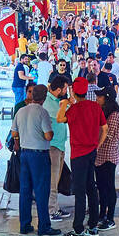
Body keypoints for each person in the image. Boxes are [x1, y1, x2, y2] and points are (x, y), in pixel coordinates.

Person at [58, 77, 107, 236]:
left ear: (74, 91)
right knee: (91, 188)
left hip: (78, 154)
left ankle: (78, 230)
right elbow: (104, 128)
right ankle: (93, 226)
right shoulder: (95, 107)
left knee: (80, 192)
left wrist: (65, 102)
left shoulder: (73, 110)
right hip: (92, 151)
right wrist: (98, 145)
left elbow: (59, 119)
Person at [13, 84, 61, 236]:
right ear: (44, 96)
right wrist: (51, 132)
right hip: (39, 155)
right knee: (41, 191)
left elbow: (14, 132)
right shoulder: (42, 112)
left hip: (24, 153)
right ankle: (44, 226)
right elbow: (48, 136)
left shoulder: (21, 111)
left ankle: (25, 224)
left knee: (25, 191)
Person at [95, 89, 119, 230]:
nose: (97, 98)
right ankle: (102, 214)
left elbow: (107, 134)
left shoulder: (114, 115)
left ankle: (110, 217)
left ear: (107, 98)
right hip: (99, 155)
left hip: (108, 155)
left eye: (99, 96)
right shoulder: (103, 112)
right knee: (101, 186)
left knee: (109, 187)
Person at [46, 75, 71, 222]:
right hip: (53, 147)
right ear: (59, 89)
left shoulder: (58, 101)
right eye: (65, 89)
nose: (66, 92)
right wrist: (68, 104)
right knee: (52, 180)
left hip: (60, 145)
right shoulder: (49, 101)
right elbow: (62, 116)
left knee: (57, 179)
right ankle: (51, 210)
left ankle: (55, 207)